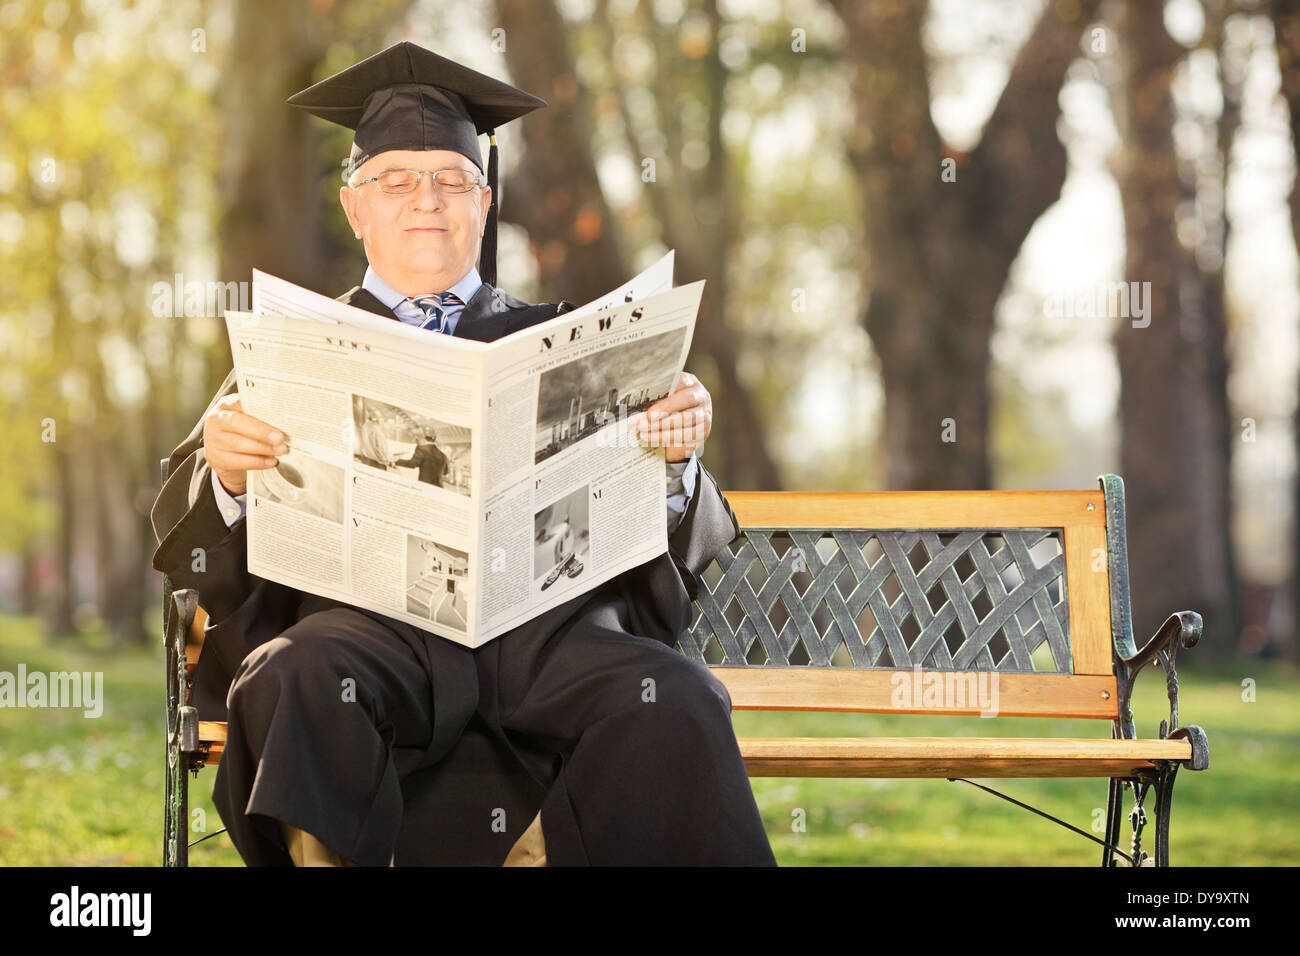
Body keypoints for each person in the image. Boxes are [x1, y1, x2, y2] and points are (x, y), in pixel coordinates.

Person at [151, 41, 774, 867]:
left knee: (677, 698)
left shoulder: (572, 341)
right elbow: (192, 551)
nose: (427, 201)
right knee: (289, 672)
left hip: (542, 639)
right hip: (368, 636)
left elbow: (681, 543)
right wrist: (225, 474)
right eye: (396, 181)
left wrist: (673, 457)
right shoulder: (291, 348)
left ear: (484, 204)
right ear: (354, 208)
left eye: (451, 179)